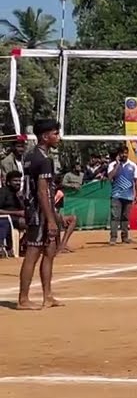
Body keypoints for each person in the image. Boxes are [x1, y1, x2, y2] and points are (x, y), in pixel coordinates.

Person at [16, 119, 64, 310]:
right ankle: (23, 298)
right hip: (38, 211)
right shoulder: (43, 160)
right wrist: (51, 219)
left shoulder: (30, 156)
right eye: (55, 134)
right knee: (33, 252)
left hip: (39, 209)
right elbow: (42, 191)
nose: (58, 137)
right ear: (45, 136)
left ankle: (48, 295)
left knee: (50, 250)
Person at [107, 146, 137, 245]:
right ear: (118, 154)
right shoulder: (112, 165)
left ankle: (125, 237)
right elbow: (110, 177)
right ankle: (113, 237)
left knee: (125, 217)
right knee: (115, 216)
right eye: (122, 153)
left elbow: (136, 181)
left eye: (125, 153)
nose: (124, 155)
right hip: (116, 195)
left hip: (128, 195)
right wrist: (117, 165)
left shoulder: (133, 165)